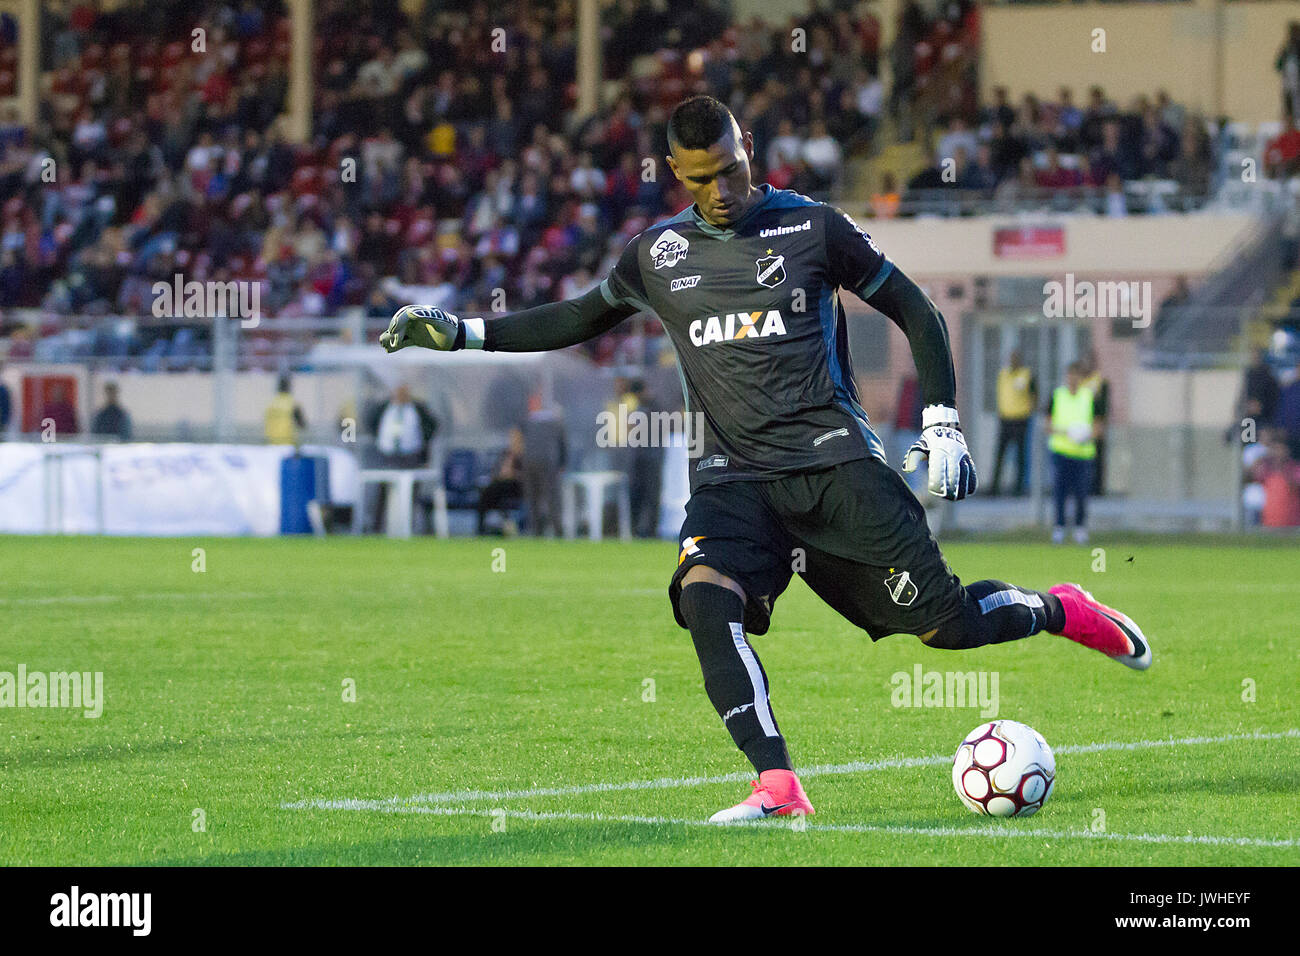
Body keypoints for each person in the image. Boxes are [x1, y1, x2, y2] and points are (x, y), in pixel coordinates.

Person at [379, 96, 1152, 823]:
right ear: (678, 175)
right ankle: (777, 782)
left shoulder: (814, 228)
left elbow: (916, 309)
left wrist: (943, 423)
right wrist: (462, 334)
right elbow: (576, 316)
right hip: (733, 480)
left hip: (835, 468)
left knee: (945, 628)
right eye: (702, 178)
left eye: (732, 169)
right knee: (703, 594)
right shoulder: (659, 255)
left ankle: (1061, 610)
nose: (721, 190)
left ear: (748, 148)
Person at [365, 383, 439, 532]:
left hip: (411, 456)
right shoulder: (384, 408)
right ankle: (377, 529)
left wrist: (424, 449)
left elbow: (432, 426)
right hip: (387, 456)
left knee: (411, 493)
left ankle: (409, 528)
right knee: (382, 493)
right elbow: (370, 423)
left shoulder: (418, 409)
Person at [1045, 361, 1102, 545]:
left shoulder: (1089, 397)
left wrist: (1086, 434)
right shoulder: (1057, 396)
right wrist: (1067, 432)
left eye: (1076, 375)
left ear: (1081, 378)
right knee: (1060, 493)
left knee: (1081, 493)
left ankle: (1080, 528)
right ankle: (1059, 528)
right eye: (1070, 375)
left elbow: (1099, 426)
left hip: (1083, 454)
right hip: (1061, 452)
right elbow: (1048, 425)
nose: (1073, 379)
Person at [991, 350, 1036, 496]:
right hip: (1005, 419)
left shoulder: (1027, 375)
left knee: (1020, 455)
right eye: (1011, 358)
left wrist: (1030, 411)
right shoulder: (1003, 374)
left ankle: (1019, 487)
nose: (1013, 361)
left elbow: (1034, 395)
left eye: (1015, 358)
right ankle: (995, 487)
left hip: (1021, 419)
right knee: (1000, 454)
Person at [477, 427, 525, 535]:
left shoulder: (524, 456)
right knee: (486, 493)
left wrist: (513, 474)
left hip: (516, 487)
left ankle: (508, 526)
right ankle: (482, 528)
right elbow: (496, 472)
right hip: (500, 485)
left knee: (494, 489)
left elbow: (526, 477)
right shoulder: (505, 454)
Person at [1080, 350, 1110, 495]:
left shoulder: (1099, 382)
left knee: (1097, 459)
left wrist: (1102, 425)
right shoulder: (1079, 382)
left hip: (1095, 426)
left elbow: (1103, 406)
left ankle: (1097, 489)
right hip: (1081, 427)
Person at [264, 375, 305, 445]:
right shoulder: (293, 404)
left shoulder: (271, 404)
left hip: (271, 444)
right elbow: (302, 425)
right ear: (290, 387)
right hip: (288, 443)